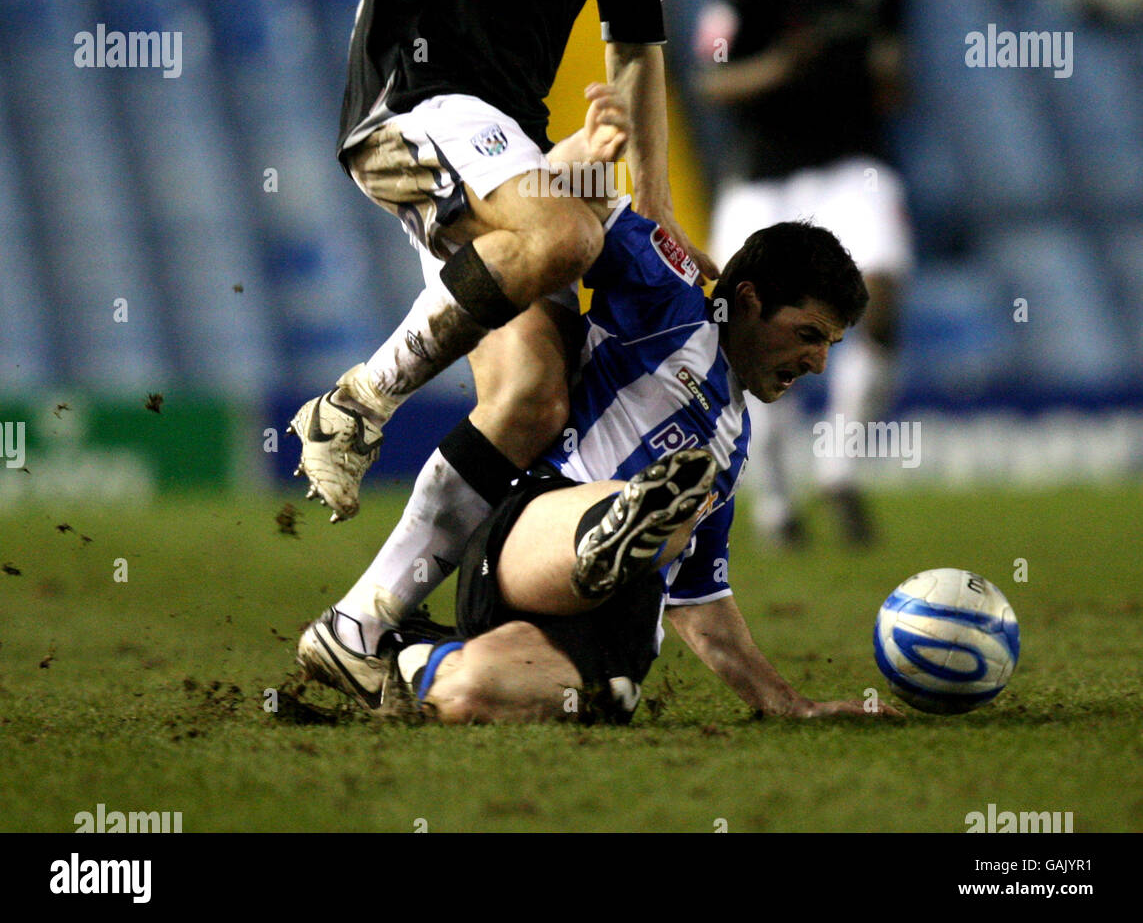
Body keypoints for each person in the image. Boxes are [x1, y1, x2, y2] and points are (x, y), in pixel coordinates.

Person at [73, 0, 715, 639]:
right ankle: (357, 402)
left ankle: (357, 631)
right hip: (412, 110)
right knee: (563, 231)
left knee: (532, 400)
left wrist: (652, 206)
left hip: (496, 151)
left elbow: (638, 48)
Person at [297, 126, 894, 724]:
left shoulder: (733, 447)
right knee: (675, 511)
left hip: (605, 634)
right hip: (534, 536)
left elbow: (698, 602)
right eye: (809, 336)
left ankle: (407, 652)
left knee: (473, 692)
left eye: (831, 346)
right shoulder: (671, 297)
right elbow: (558, 207)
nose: (818, 364)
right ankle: (618, 527)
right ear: (750, 298)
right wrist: (591, 151)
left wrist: (792, 705)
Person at [693, 0, 912, 547]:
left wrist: (887, 79)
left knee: (880, 297)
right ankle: (776, 502)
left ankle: (839, 470)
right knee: (754, 331)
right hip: (763, 175)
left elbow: (893, 66)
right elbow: (711, 76)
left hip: (853, 165)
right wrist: (779, 68)